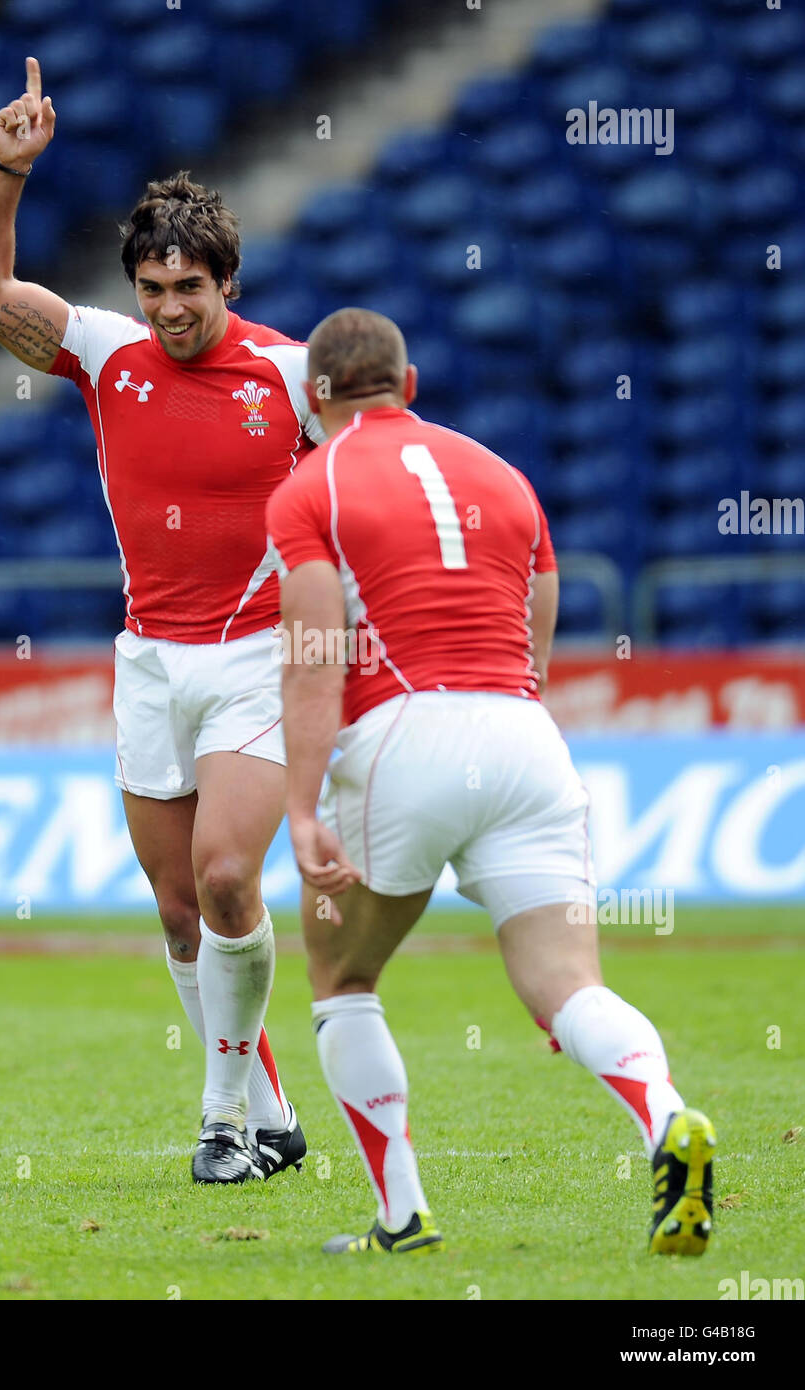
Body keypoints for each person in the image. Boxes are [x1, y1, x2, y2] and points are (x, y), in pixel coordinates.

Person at [265, 306, 716, 1254]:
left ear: (315, 396)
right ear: (410, 383)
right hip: (522, 733)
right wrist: (521, 692)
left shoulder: (313, 484)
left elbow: (311, 653)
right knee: (566, 981)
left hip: (404, 732)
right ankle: (666, 1115)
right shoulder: (499, 473)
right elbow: (541, 588)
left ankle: (400, 1216)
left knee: (342, 975)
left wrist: (301, 807)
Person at [0, 57, 320, 1184]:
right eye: (151, 288)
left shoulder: (294, 378)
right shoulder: (108, 354)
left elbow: (386, 470)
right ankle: (272, 1112)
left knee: (222, 882)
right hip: (149, 663)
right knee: (173, 912)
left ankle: (220, 1121)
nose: (167, 310)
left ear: (226, 284)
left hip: (254, 661)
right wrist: (7, 171)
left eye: (187, 290)